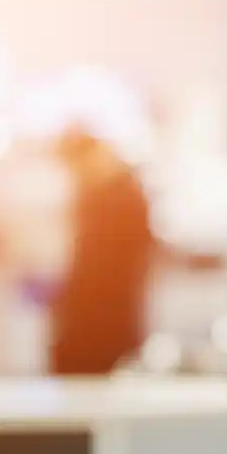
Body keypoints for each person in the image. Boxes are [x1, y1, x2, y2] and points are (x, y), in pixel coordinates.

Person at [49, 128, 153, 375]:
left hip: (102, 324)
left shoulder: (118, 198)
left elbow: (98, 270)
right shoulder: (113, 192)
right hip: (100, 321)